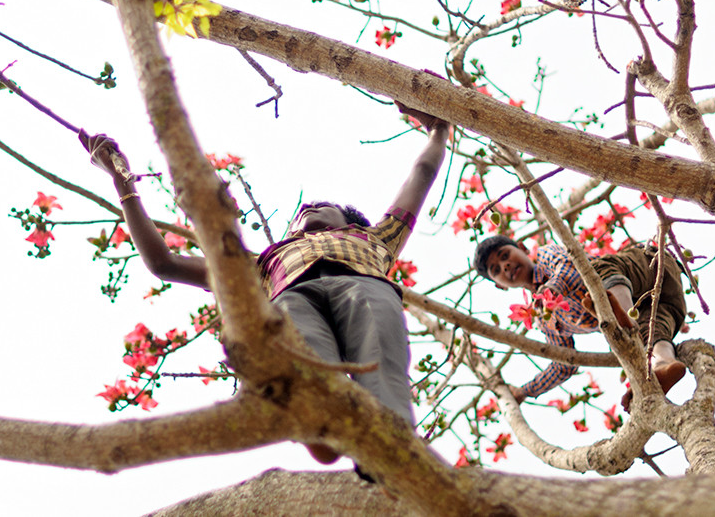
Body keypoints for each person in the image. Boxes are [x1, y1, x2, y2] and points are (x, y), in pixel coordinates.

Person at [80, 104, 451, 469]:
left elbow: (421, 172)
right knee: (308, 365)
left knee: (380, 359)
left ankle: (390, 441)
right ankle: (322, 422)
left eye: (322, 205)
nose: (308, 207)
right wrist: (123, 183)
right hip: (290, 298)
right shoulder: (259, 264)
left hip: (364, 285)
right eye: (301, 211)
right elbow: (164, 263)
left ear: (349, 220)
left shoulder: (378, 237)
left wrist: (439, 128)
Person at [473, 235, 688, 410]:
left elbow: (567, 268)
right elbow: (563, 364)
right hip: (664, 300)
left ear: (521, 247)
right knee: (652, 334)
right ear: (499, 286)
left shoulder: (547, 255)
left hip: (648, 266)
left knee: (598, 271)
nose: (505, 265)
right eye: (496, 270)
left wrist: (552, 290)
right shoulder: (545, 320)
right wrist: (525, 391)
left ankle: (625, 323)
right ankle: (664, 365)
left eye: (505, 255)